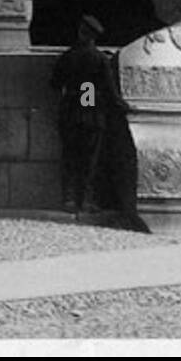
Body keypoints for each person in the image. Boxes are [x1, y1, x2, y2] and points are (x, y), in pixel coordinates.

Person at [50, 15, 148, 231]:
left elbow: (55, 84)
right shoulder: (99, 59)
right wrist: (125, 106)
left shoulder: (67, 57)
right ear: (94, 36)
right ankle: (85, 200)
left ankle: (67, 199)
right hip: (92, 116)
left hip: (69, 114)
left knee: (69, 158)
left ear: (81, 33)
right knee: (89, 160)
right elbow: (111, 92)